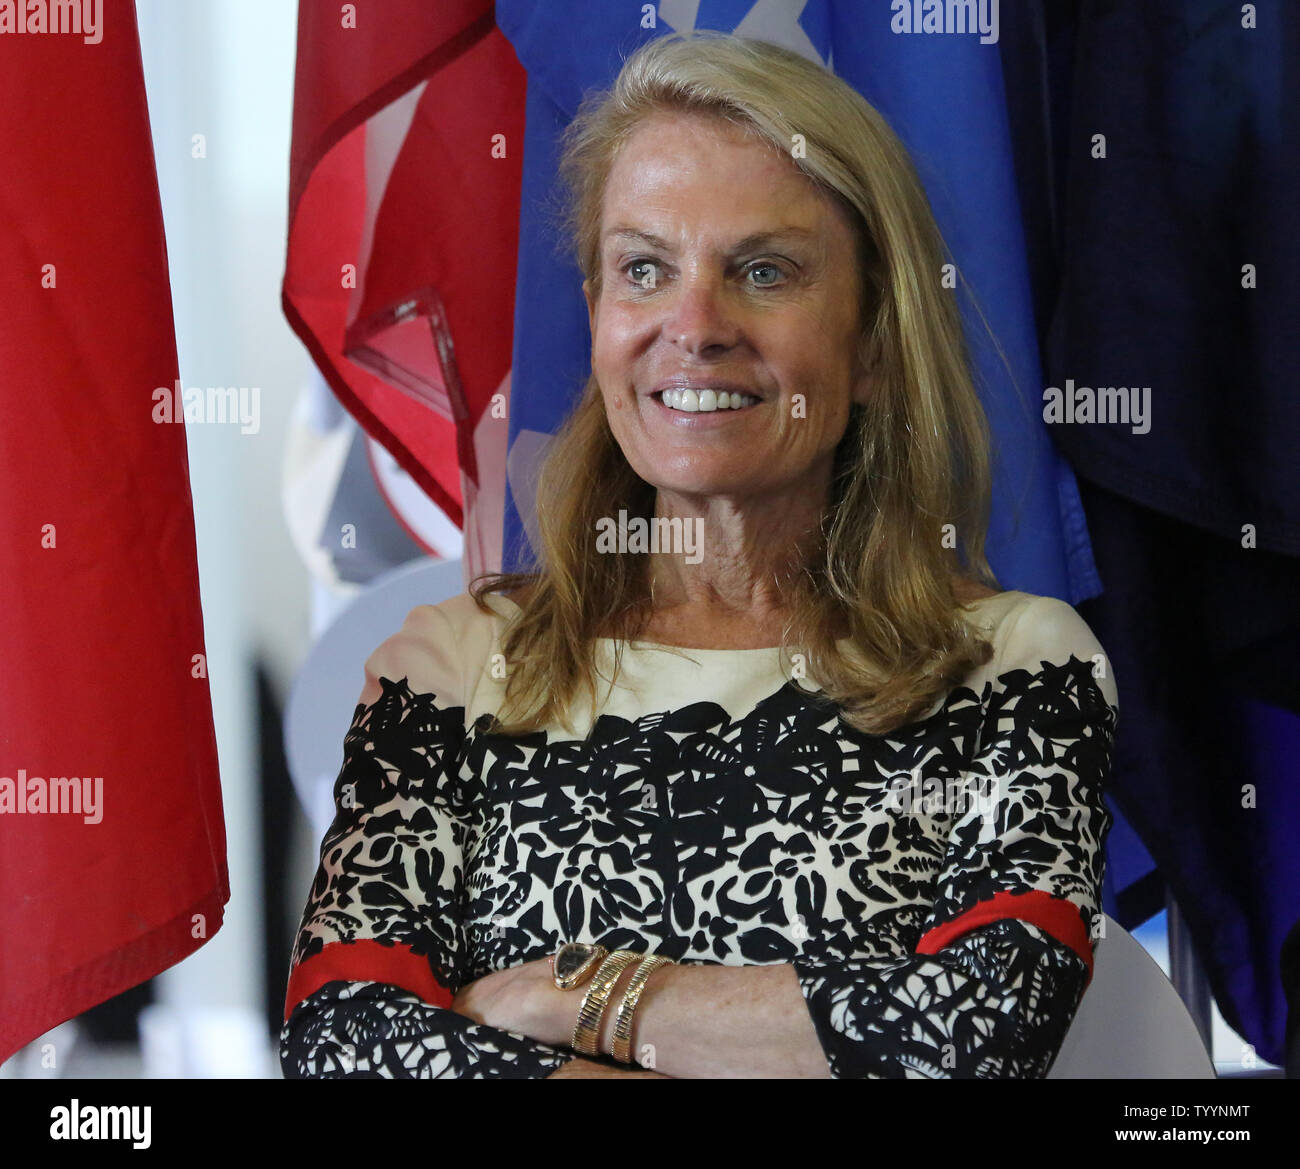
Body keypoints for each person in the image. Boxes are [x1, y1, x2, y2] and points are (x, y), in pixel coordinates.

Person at [279, 30, 1118, 1079]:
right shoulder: (450, 663)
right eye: (643, 269)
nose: (694, 324)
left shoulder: (1016, 666)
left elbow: (971, 1036)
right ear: (594, 319)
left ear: (869, 343)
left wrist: (564, 994)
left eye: (763, 272)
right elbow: (343, 1038)